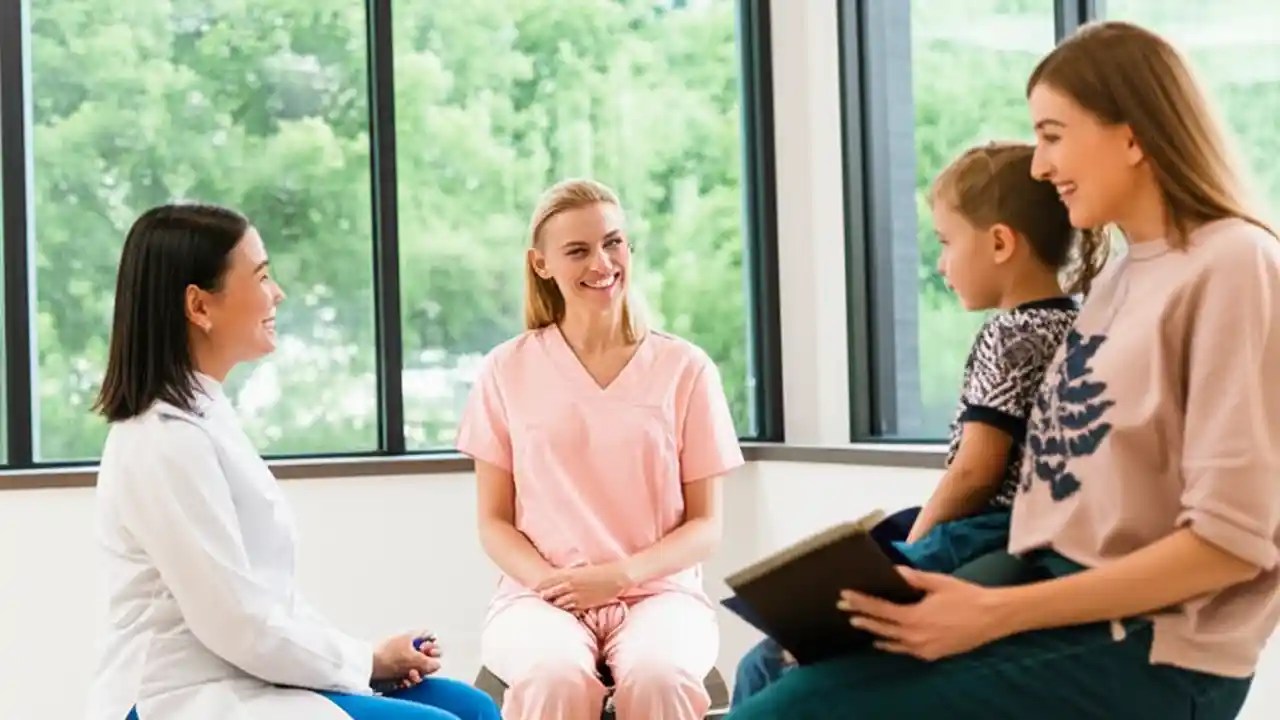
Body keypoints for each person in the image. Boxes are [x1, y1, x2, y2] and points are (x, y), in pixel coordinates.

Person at [728, 20, 1278, 720]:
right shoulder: (1116, 283)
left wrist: (995, 613)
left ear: (1133, 135)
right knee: (780, 670)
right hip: (1044, 595)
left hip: (1150, 649)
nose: (1041, 167)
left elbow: (1228, 549)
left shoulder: (1236, 267)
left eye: (1053, 134)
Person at [730, 140, 1108, 706]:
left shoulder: (1009, 335)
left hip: (982, 530)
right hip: (1028, 533)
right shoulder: (1078, 326)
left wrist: (914, 542)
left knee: (765, 661)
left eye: (946, 242)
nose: (939, 264)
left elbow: (975, 471)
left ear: (1001, 242)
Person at [85, 204, 500, 720]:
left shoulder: (205, 414)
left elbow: (267, 604)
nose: (276, 292)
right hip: (180, 695)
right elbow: (235, 622)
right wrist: (365, 659)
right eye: (260, 275)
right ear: (199, 306)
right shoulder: (162, 442)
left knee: (474, 708)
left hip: (250, 674)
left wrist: (361, 657)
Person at [455, 178, 745, 720]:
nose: (602, 262)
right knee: (553, 677)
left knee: (661, 677)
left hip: (660, 595)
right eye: (578, 250)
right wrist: (556, 586)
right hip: (539, 597)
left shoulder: (685, 370)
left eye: (613, 242)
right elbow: (494, 522)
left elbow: (706, 525)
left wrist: (620, 577)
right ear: (541, 264)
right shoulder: (505, 371)